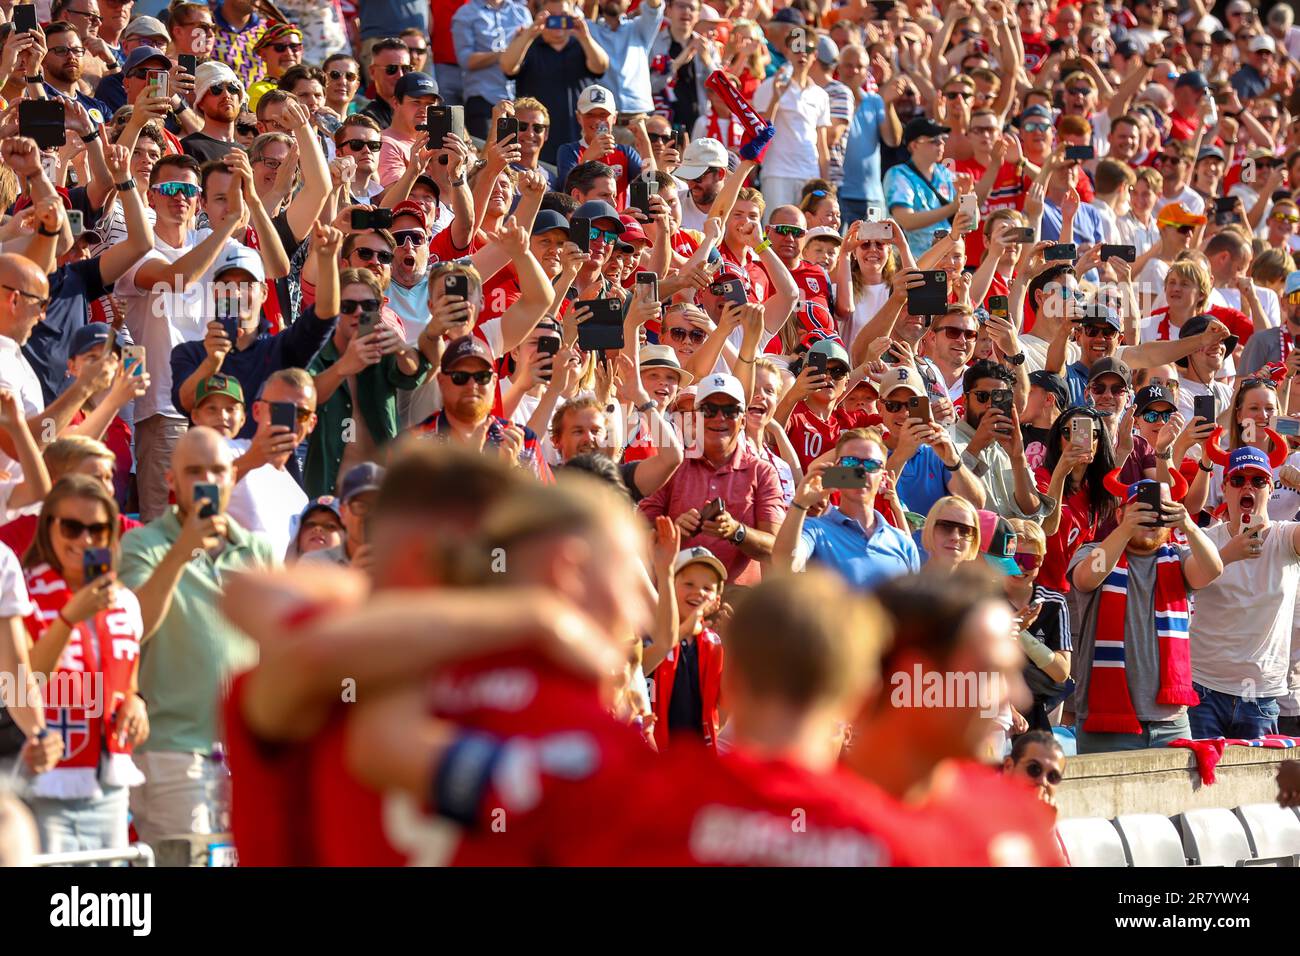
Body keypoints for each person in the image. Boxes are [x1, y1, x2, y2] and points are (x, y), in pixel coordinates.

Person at [117, 426, 276, 849]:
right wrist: (182, 550)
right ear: (171, 480)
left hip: (247, 756)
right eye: (194, 471)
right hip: (173, 752)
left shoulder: (259, 552)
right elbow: (135, 627)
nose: (208, 481)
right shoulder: (141, 545)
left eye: (219, 470)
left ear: (233, 476)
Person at [20, 475, 147, 856]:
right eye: (72, 527)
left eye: (97, 529)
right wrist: (69, 617)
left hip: (108, 782)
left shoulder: (124, 601)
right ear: (49, 527)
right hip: (40, 778)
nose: (85, 541)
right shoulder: (23, 594)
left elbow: (129, 680)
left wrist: (136, 702)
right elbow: (16, 682)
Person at [1069, 473, 1223, 753]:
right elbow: (1086, 578)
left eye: (1160, 510)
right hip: (1105, 724)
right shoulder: (1094, 552)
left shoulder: (1178, 558)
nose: (1151, 515)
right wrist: (1126, 530)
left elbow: (1213, 570)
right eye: (1140, 508)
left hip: (1171, 723)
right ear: (1120, 515)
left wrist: (1188, 525)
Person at [1188, 447, 1300, 740]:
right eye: (1238, 480)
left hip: (1260, 697)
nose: (1247, 486)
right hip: (1203, 691)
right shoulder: (1207, 539)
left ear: (1271, 488)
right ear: (1224, 488)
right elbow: (1189, 580)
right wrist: (1226, 555)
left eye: (1258, 481)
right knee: (1198, 784)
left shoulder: (1285, 537)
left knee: (1256, 787)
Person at [640, 373, 783, 586]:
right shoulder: (673, 466)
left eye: (730, 411)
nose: (719, 418)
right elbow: (637, 534)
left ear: (743, 420)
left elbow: (778, 549)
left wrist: (737, 532)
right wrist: (673, 532)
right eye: (709, 410)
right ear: (695, 418)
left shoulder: (762, 472)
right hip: (675, 596)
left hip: (735, 604)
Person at [774, 427, 920, 589]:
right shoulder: (814, 529)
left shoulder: (902, 543)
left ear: (883, 479)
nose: (860, 471)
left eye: (871, 465)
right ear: (837, 470)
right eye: (850, 462)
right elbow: (785, 564)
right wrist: (800, 504)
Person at [644, 539, 726, 751]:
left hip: (697, 758)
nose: (699, 592)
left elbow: (723, 711)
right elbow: (639, 667)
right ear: (668, 586)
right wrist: (685, 628)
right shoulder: (648, 632)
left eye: (707, 588)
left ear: (717, 599)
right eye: (689, 584)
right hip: (655, 754)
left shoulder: (714, 643)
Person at [503, 2, 609, 164]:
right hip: (535, 137)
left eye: (564, 16)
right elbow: (507, 67)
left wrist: (584, 36)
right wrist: (531, 32)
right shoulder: (529, 44)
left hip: (576, 139)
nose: (559, 20)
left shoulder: (582, 44)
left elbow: (601, 66)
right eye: (552, 16)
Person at [953, 359, 1055, 522]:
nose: (989, 405)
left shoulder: (1010, 445)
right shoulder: (946, 441)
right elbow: (948, 495)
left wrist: (1018, 458)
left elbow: (1034, 516)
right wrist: (976, 446)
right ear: (965, 400)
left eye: (999, 398)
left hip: (1013, 543)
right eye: (982, 396)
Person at [1004, 518, 1072, 732]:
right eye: (1014, 557)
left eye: (1030, 560)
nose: (1020, 566)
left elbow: (1061, 672)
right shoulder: (985, 596)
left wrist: (1020, 635)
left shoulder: (1053, 602)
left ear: (1041, 561)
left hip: (1037, 708)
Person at [752, 26, 831, 212]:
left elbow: (822, 145)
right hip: (777, 172)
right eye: (796, 47)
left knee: (807, 231)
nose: (802, 53)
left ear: (815, 55)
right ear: (787, 51)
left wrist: (825, 182)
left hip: (810, 174)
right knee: (774, 229)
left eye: (808, 48)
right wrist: (775, 99)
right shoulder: (768, 86)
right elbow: (759, 132)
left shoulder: (821, 95)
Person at [451, 0, 533, 140]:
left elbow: (533, 54)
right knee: (487, 156)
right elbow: (466, 60)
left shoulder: (522, 12)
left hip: (520, 102)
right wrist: (507, 53)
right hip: (483, 101)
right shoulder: (465, 14)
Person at [884, 116, 965, 257]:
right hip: (917, 260)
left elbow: (968, 223)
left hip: (950, 256)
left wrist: (968, 199)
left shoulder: (945, 173)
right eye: (934, 140)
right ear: (914, 145)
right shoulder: (898, 174)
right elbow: (907, 221)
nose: (941, 143)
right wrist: (952, 207)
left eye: (942, 139)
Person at [586, 0, 665, 127]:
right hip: (601, 122)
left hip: (638, 121)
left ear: (629, 1)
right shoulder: (587, 29)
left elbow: (654, 7)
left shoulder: (640, 28)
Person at [918, 495, 980, 575]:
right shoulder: (905, 585)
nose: (955, 537)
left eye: (965, 530)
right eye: (946, 527)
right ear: (930, 528)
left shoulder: (980, 586)